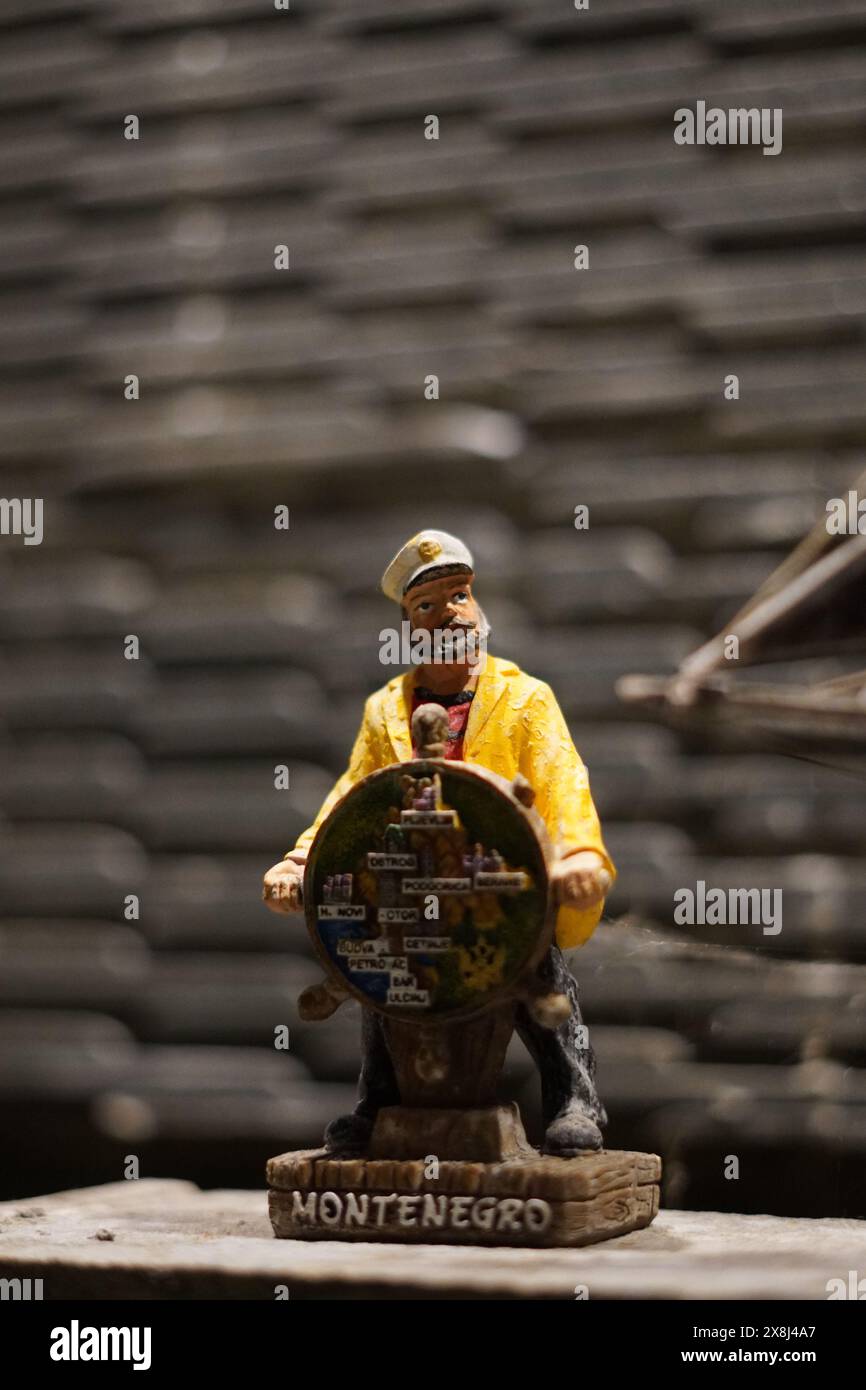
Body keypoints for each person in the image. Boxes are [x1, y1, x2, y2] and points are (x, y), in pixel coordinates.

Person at [263, 530, 616, 1154]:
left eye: (460, 595)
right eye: (428, 604)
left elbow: (563, 781)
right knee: (381, 984)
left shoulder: (526, 700)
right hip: (408, 875)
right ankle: (376, 1107)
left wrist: (581, 856)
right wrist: (300, 860)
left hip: (496, 878)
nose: (450, 611)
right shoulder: (385, 712)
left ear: (478, 609)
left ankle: (575, 1100)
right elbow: (353, 793)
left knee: (539, 980)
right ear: (408, 627)